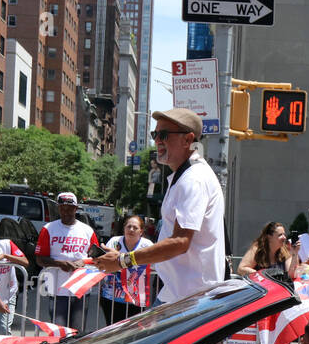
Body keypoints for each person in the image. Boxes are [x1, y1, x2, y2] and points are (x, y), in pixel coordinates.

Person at [96, 109, 224, 304]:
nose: (157, 141)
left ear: (188, 140)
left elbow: (180, 242)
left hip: (191, 301)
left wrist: (123, 261)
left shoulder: (194, 179)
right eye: (155, 135)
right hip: (177, 294)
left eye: (164, 135)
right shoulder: (183, 176)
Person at [37, 191, 99, 333]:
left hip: (80, 288)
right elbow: (40, 259)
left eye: (70, 208)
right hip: (56, 287)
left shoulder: (87, 230)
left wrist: (83, 262)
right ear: (58, 208)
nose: (66, 212)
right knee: (59, 331)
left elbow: (97, 258)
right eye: (62, 208)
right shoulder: (48, 229)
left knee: (77, 331)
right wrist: (60, 263)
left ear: (76, 209)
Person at [100, 213, 153, 325]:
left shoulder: (147, 245)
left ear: (141, 231)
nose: (131, 229)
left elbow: (153, 265)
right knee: (112, 330)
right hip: (112, 297)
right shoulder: (114, 242)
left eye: (135, 227)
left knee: (132, 332)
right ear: (124, 228)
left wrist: (119, 260)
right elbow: (105, 262)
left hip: (136, 298)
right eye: (128, 226)